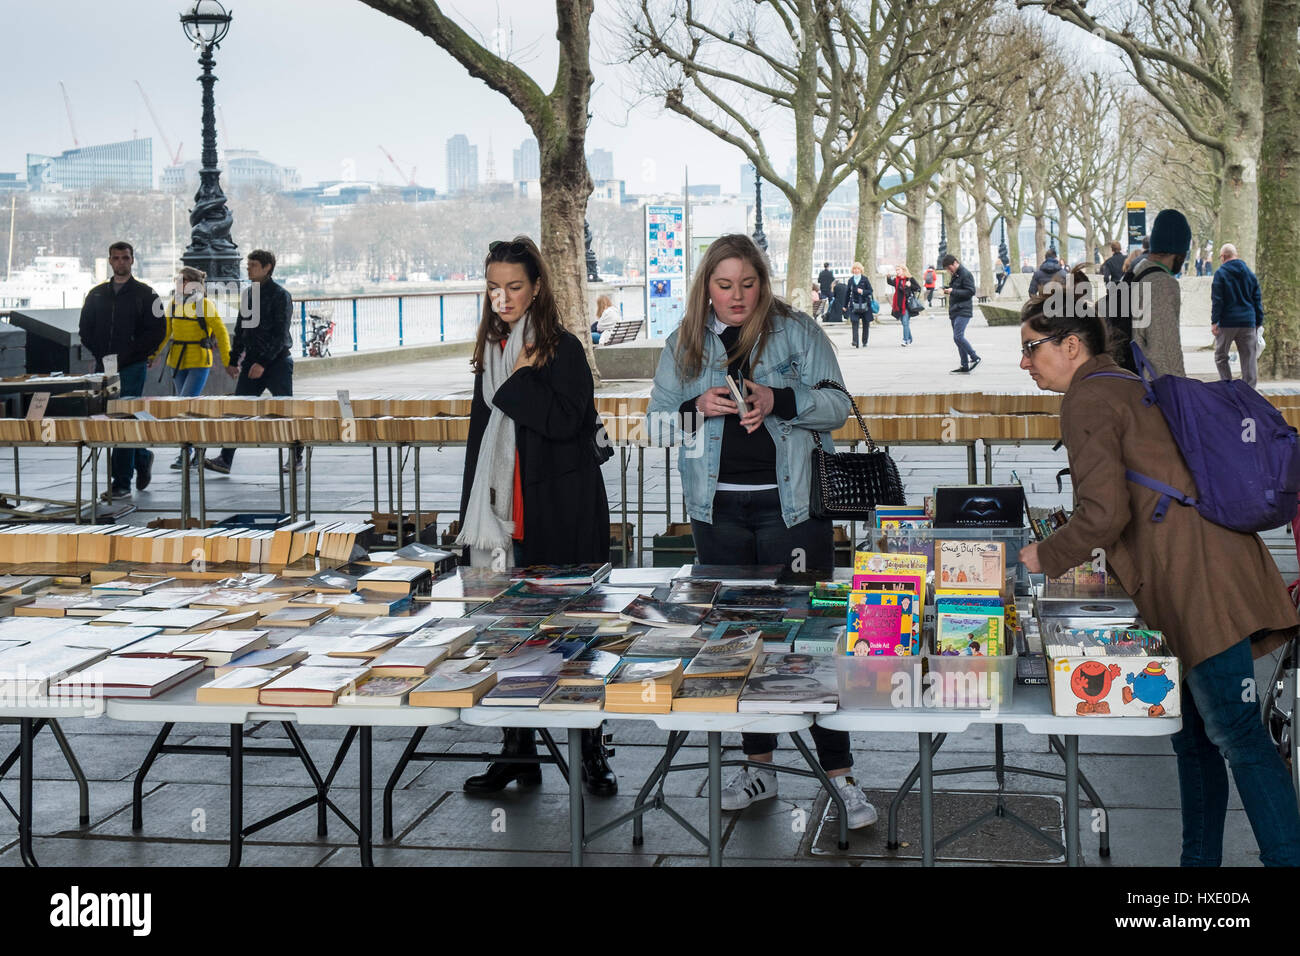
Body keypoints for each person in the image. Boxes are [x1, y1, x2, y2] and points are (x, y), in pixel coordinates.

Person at [1015, 287, 1300, 868]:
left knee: (1239, 738)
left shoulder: (1087, 400)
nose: (1024, 362)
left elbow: (1104, 512)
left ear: (1071, 346)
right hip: (1209, 571)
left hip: (1200, 588)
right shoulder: (1122, 382)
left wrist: (1046, 554)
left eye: (1031, 348)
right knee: (1193, 740)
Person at [646, 233, 876, 829]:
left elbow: (839, 405)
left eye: (748, 283)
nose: (737, 295)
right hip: (716, 515)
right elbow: (656, 428)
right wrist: (697, 408)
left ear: (762, 282)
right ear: (706, 288)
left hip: (794, 511)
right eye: (724, 285)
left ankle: (843, 778)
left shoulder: (797, 331)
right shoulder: (683, 343)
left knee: (813, 641)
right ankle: (758, 767)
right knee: (737, 641)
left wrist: (778, 399)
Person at [456, 235, 615, 798]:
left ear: (537, 287)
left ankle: (593, 750)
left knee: (575, 631)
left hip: (561, 511)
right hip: (500, 515)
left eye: (514, 287)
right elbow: (480, 439)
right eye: (494, 287)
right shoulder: (492, 351)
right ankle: (518, 752)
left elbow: (566, 424)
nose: (503, 298)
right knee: (506, 635)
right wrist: (464, 516)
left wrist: (522, 378)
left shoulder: (561, 348)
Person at [78, 240, 164, 499]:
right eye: (116, 258)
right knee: (114, 418)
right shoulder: (96, 294)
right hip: (106, 365)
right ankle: (142, 455)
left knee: (124, 419)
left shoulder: (147, 294)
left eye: (125, 258)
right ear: (110, 261)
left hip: (133, 365)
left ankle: (122, 482)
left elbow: (158, 330)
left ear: (132, 260)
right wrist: (100, 354)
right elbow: (85, 329)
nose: (120, 262)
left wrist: (133, 354)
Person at [205, 250, 299, 475]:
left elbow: (280, 334)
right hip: (252, 363)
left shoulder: (280, 295)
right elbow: (241, 330)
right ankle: (225, 459)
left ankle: (295, 457)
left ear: (268, 267)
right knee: (238, 410)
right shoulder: (248, 295)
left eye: (254, 265)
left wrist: (263, 363)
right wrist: (233, 360)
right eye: (248, 265)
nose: (248, 269)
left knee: (285, 412)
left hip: (277, 363)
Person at [151, 266, 232, 469]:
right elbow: (165, 332)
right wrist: (153, 355)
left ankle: (187, 453)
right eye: (178, 280)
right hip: (177, 360)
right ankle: (193, 451)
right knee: (184, 407)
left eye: (182, 280)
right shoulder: (174, 304)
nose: (178, 283)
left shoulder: (204, 305)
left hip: (198, 360)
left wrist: (228, 359)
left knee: (184, 406)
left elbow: (221, 332)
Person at [1129, 208, 1189, 377]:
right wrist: (1181, 395)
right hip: (1153, 392)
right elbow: (1166, 355)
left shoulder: (1137, 273)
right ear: (1178, 253)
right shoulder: (1161, 283)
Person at [1210, 243, 1264, 389]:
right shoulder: (1249, 273)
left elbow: (1217, 300)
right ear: (1235, 255)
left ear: (1223, 257)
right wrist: (1258, 322)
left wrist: (1215, 321)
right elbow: (1257, 299)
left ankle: (1228, 386)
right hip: (1248, 321)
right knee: (1249, 358)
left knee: (1221, 356)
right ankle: (1249, 390)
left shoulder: (1221, 273)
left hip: (1227, 322)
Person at [942, 254, 980, 373]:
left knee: (958, 336)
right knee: (957, 339)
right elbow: (957, 290)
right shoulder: (956, 275)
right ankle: (964, 365)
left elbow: (970, 291)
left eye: (949, 268)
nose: (949, 271)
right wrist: (948, 289)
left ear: (955, 263)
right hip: (955, 310)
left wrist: (953, 291)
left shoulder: (966, 274)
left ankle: (974, 357)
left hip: (963, 310)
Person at [886, 266, 921, 347]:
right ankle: (910, 338)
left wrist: (910, 285)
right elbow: (890, 282)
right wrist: (888, 277)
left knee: (905, 322)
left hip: (907, 304)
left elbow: (918, 288)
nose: (897, 271)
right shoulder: (896, 279)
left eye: (898, 270)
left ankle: (905, 340)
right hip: (898, 304)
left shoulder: (909, 279)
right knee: (904, 322)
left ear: (903, 270)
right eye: (896, 270)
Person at [846, 261, 873, 348]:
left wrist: (863, 292)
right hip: (854, 305)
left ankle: (864, 341)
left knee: (865, 324)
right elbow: (847, 293)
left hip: (865, 304)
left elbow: (870, 291)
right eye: (854, 269)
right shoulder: (850, 280)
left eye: (858, 269)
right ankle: (855, 341)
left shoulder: (865, 279)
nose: (856, 270)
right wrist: (844, 305)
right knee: (854, 322)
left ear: (861, 270)